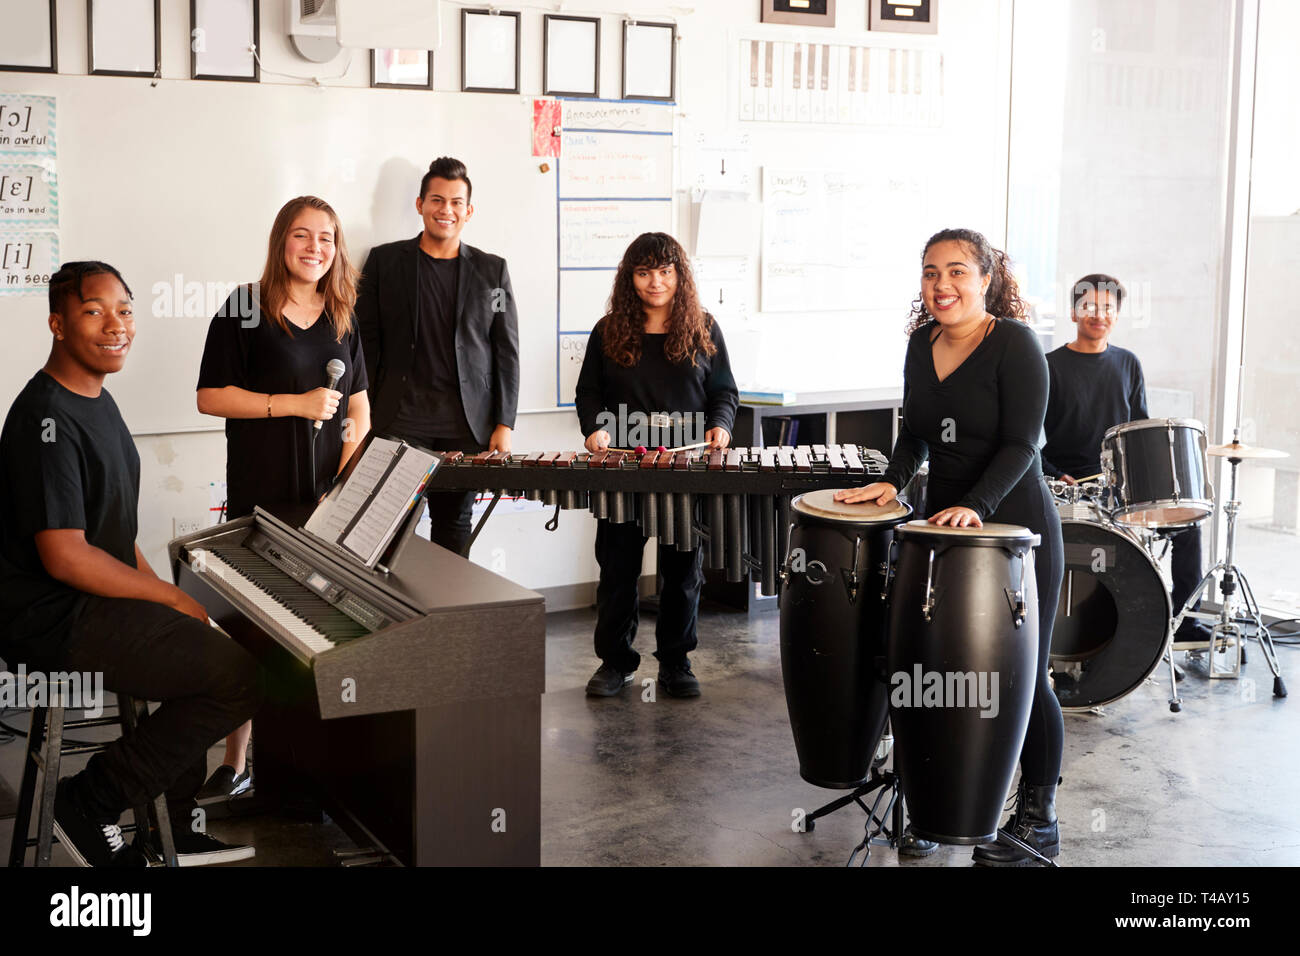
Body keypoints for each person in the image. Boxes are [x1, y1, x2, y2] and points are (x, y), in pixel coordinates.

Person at [0, 261, 262, 866]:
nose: (116, 325)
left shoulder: (100, 399)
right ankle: (85, 803)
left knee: (209, 652)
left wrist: (161, 593)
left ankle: (168, 828)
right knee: (236, 679)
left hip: (93, 602)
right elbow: (66, 556)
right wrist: (168, 599)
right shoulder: (46, 418)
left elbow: (114, 537)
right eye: (94, 311)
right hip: (52, 618)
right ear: (57, 325)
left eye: (125, 309)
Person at [836, 228, 1065, 865]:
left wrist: (977, 505)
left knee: (1022, 679)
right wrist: (891, 480)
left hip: (1013, 529)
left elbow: (1025, 444)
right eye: (931, 272)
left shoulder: (1015, 345)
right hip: (943, 529)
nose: (943, 285)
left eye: (958, 272)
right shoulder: (920, 344)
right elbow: (914, 434)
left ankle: (1037, 821)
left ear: (987, 278)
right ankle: (934, 809)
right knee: (933, 672)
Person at [196, 196, 371, 798]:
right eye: (302, 235)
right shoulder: (245, 307)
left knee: (316, 631)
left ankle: (306, 762)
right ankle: (237, 760)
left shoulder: (343, 313)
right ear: (281, 242)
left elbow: (359, 411)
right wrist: (290, 405)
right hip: (259, 496)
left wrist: (341, 492)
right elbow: (211, 397)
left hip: (319, 504)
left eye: (326, 237)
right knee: (252, 629)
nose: (315, 247)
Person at [575, 233, 739, 699]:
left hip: (684, 468)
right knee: (618, 571)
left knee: (684, 572)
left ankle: (676, 662)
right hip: (624, 467)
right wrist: (594, 430)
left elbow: (724, 391)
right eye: (644, 272)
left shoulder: (703, 328)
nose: (655, 282)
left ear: (679, 276)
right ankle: (615, 662)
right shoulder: (608, 331)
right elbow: (589, 392)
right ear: (630, 278)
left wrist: (721, 427)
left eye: (665, 271)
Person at [355, 156, 520, 556]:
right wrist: (361, 416)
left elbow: (506, 351)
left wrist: (504, 423)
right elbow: (363, 343)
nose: (446, 210)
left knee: (454, 525)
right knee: (387, 527)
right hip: (399, 419)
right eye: (437, 200)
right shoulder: (384, 261)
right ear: (420, 204)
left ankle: (449, 617)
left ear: (469, 211)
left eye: (455, 202)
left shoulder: (491, 270)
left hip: (466, 423)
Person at [1041, 274, 1210, 643]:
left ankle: (1184, 622)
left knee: (1188, 526)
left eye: (1107, 308)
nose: (1098, 315)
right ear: (1073, 312)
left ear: (1116, 315)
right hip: (1067, 485)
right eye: (1089, 307)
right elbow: (1027, 440)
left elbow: (1139, 429)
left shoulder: (1128, 363)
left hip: (1120, 486)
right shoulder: (1048, 366)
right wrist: (1057, 474)